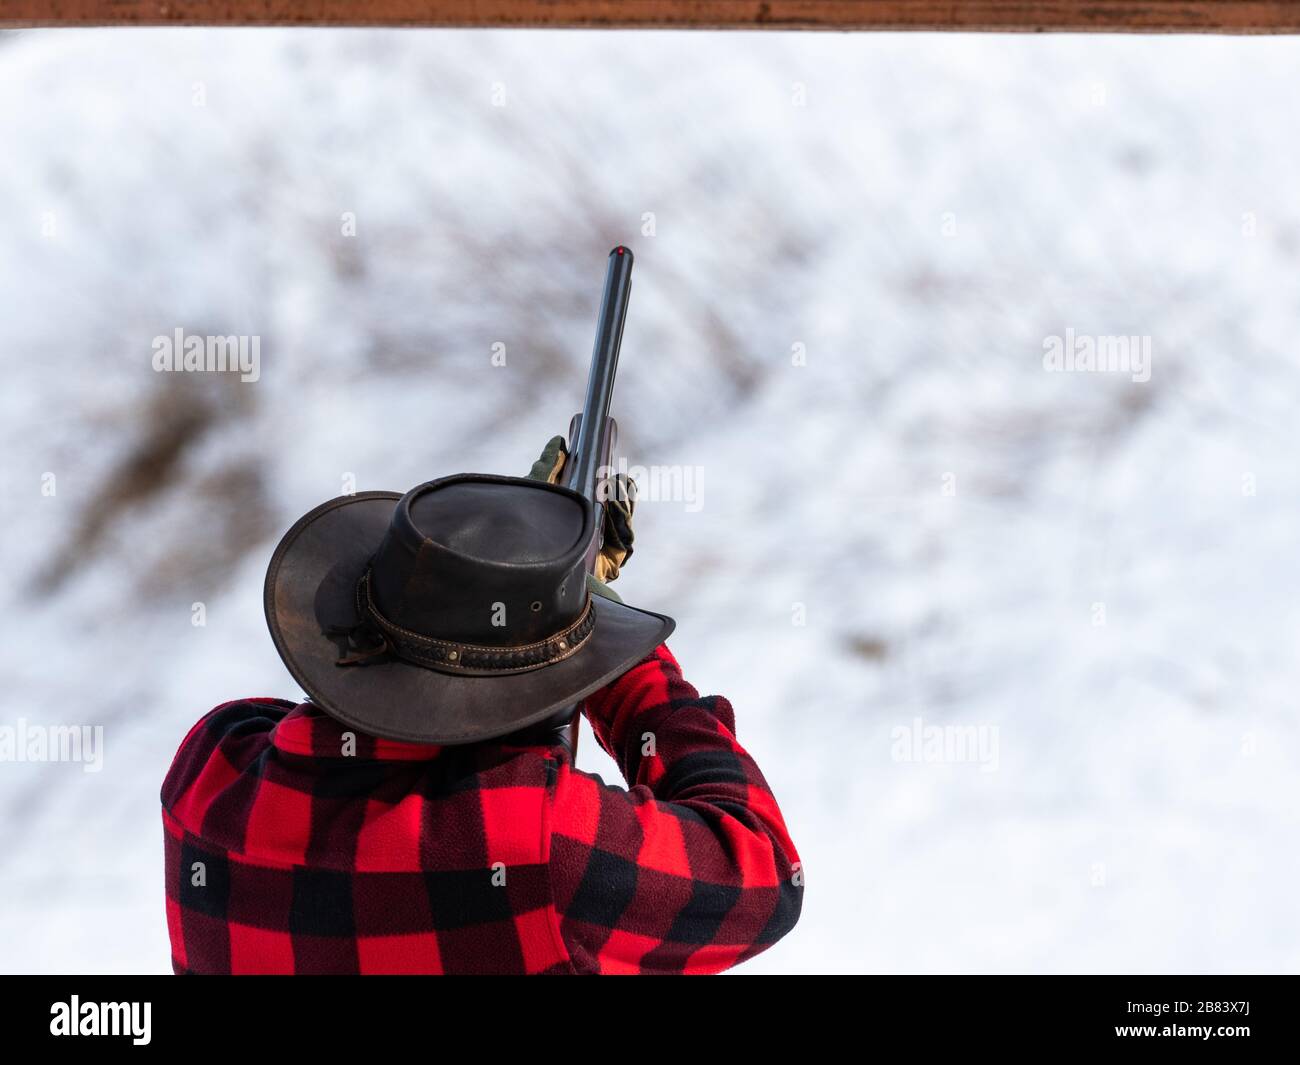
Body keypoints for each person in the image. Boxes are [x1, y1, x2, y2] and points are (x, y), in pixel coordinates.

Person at [160, 438, 802, 974]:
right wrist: (597, 637)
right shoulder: (544, 845)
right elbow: (766, 874)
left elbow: (351, 730)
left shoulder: (211, 769)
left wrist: (518, 621)